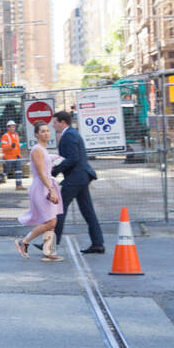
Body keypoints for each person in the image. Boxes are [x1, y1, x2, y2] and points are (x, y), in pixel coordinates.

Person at [51, 109, 107, 254]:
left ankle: (51, 244)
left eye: (55, 122)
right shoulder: (70, 133)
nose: (53, 125)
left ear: (63, 123)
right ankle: (98, 243)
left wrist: (54, 172)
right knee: (88, 211)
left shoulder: (69, 135)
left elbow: (72, 158)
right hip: (81, 177)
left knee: (59, 208)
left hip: (75, 178)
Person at [16, 122, 64, 261]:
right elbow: (41, 173)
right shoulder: (37, 149)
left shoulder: (43, 149)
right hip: (41, 187)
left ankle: (47, 251)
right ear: (36, 134)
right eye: (42, 131)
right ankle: (24, 242)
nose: (46, 133)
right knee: (50, 222)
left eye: (48, 131)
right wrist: (51, 190)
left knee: (52, 220)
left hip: (47, 185)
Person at [1, 120, 23, 188]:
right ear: (8, 128)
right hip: (9, 157)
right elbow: (3, 147)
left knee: (18, 171)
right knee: (6, 171)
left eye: (14, 127)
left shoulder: (16, 135)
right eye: (11, 127)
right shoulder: (5, 136)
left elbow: (17, 146)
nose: (13, 128)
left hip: (17, 156)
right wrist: (11, 146)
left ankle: (18, 185)